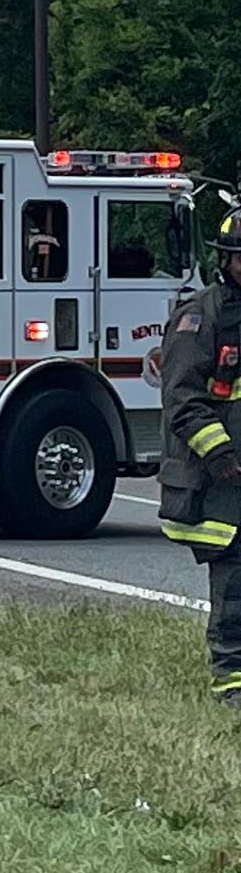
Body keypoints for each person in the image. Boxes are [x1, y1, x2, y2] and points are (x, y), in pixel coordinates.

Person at [160, 213, 241, 704]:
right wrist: (221, 455)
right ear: (229, 259)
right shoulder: (200, 318)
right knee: (235, 580)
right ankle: (232, 682)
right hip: (222, 480)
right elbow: (182, 400)